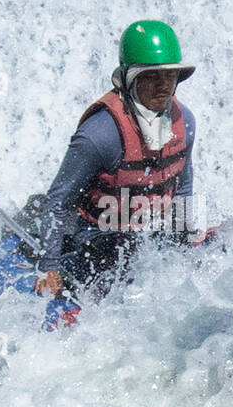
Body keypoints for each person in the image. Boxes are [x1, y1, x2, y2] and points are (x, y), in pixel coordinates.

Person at [33, 21, 200, 298]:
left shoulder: (186, 123)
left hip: (149, 231)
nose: (163, 86)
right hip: (98, 236)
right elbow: (58, 202)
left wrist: (186, 245)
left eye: (170, 76)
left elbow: (183, 188)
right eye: (152, 77)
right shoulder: (100, 134)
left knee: (179, 249)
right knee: (125, 251)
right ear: (130, 79)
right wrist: (49, 267)